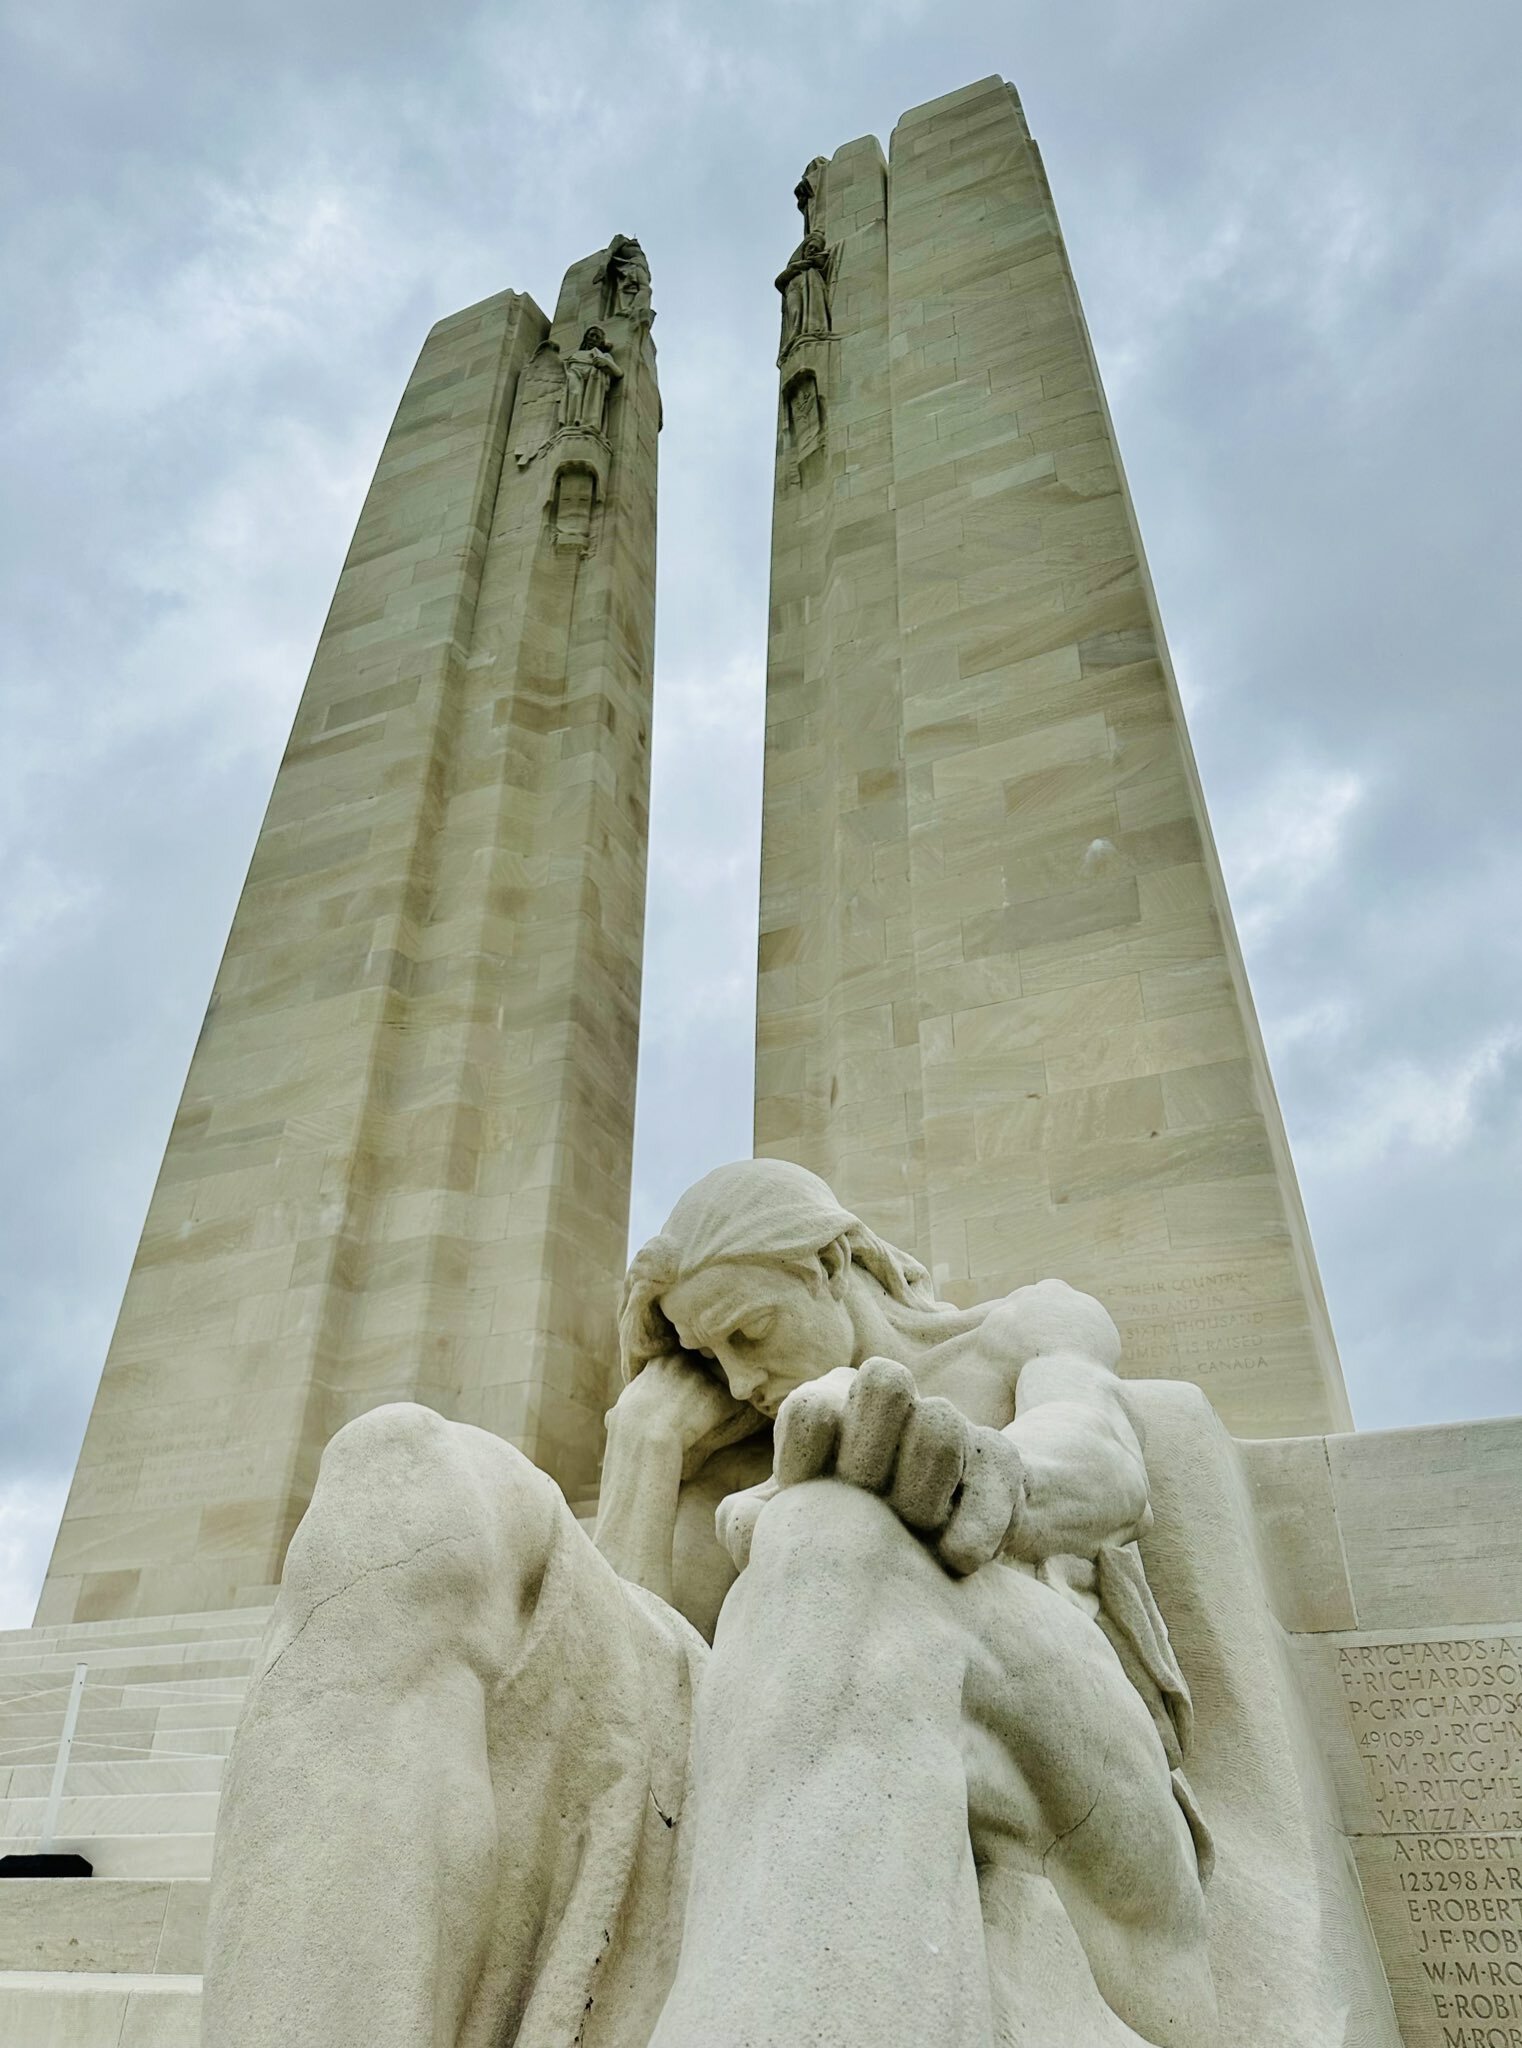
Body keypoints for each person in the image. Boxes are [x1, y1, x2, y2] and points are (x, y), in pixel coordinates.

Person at [203, 1158, 1216, 2048]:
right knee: (396, 1470)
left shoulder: (1022, 1329)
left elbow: (1103, 1455)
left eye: (750, 1329)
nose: (737, 1374)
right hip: (794, 1731)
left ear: (830, 1264)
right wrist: (642, 1451)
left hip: (1061, 1752)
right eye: (707, 1350)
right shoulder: (722, 1449)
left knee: (833, 1532)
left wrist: (980, 1473)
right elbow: (618, 1726)